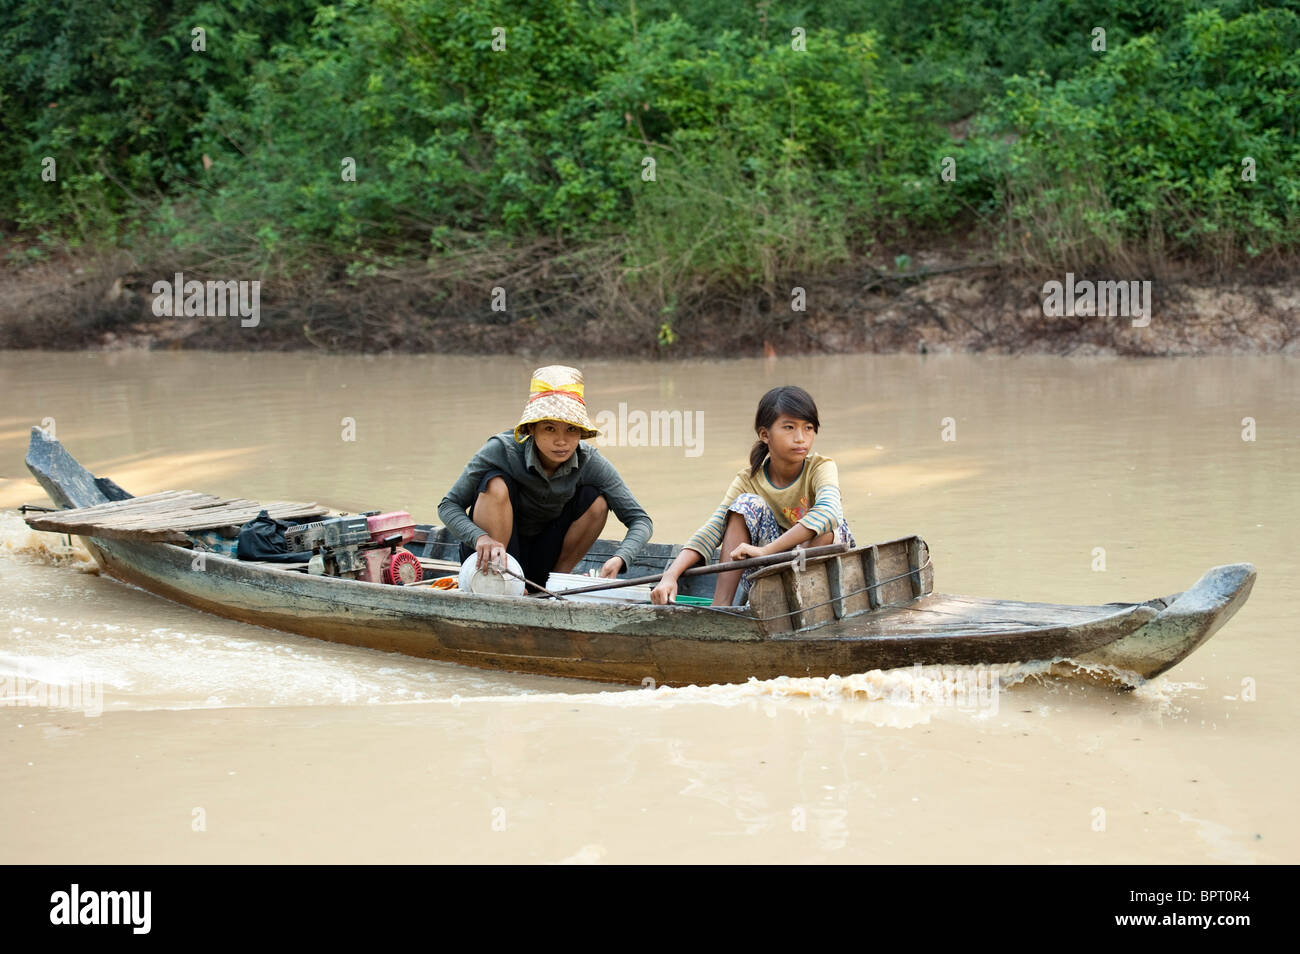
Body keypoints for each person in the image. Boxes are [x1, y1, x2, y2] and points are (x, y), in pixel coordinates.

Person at [438, 365, 652, 588]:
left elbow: (640, 520)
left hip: (544, 559)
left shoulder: (589, 461)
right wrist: (479, 537)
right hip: (491, 559)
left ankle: (554, 586)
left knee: (597, 501)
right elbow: (448, 506)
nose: (561, 441)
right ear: (532, 429)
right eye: (550, 429)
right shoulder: (501, 449)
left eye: (571, 429)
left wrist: (620, 558)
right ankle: (503, 583)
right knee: (495, 485)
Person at [651, 385, 854, 606]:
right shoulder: (748, 479)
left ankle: (793, 600)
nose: (800, 438)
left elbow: (829, 512)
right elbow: (712, 529)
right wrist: (670, 575)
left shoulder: (821, 467)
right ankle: (721, 609)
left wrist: (765, 551)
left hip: (814, 568)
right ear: (765, 435)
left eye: (808, 428)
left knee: (827, 529)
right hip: (770, 572)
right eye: (789, 427)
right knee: (744, 504)